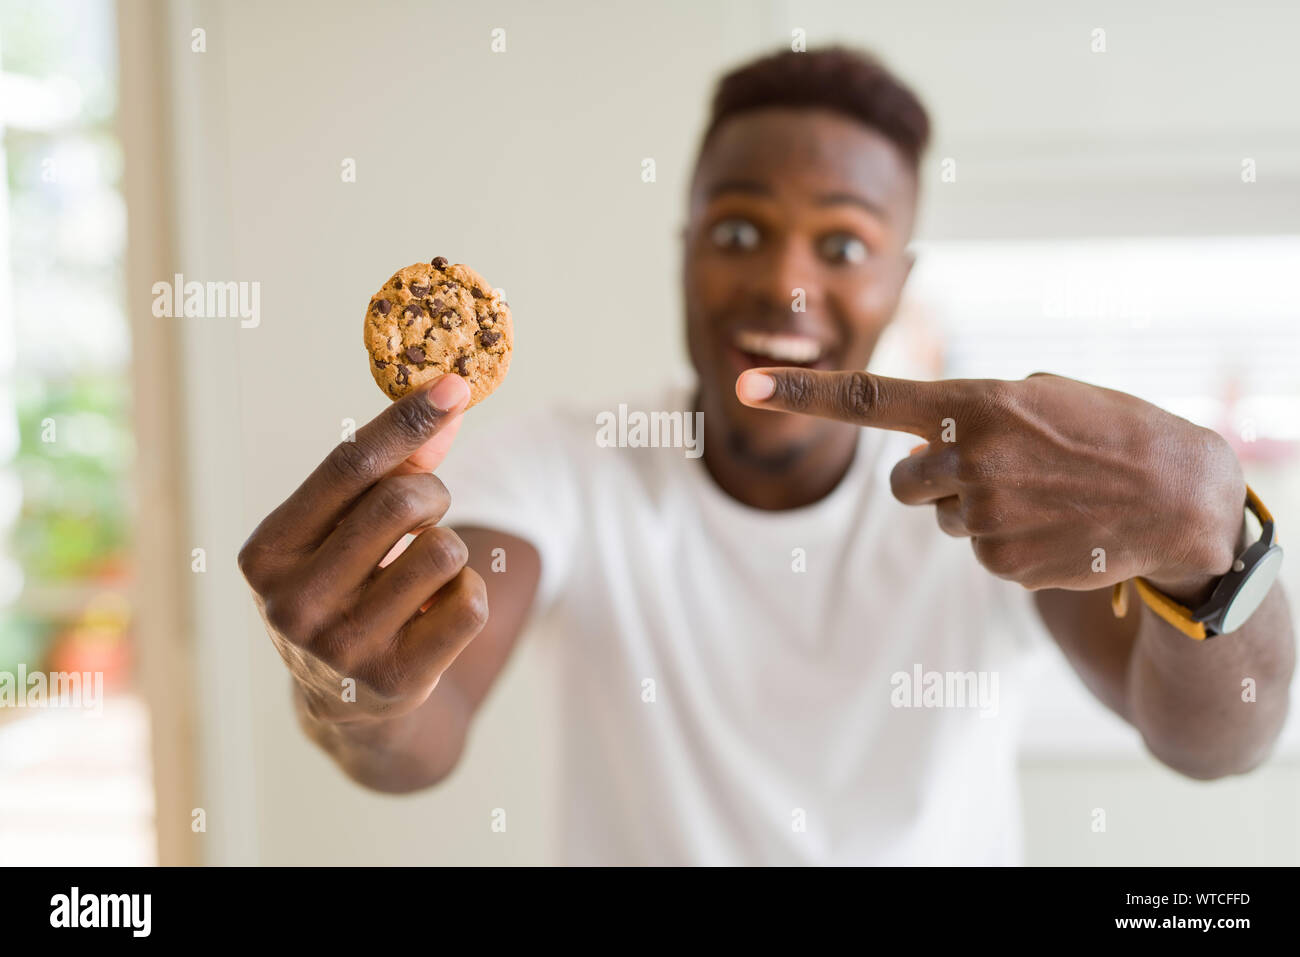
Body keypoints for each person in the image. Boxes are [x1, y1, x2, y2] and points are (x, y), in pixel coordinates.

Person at [237, 48, 1295, 865]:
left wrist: (1214, 545)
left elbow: (1214, 743)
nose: (784, 286)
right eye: (738, 232)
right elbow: (426, 723)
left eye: (841, 245)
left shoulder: (997, 496)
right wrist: (354, 698)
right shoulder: (571, 468)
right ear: (685, 244)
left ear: (901, 277)